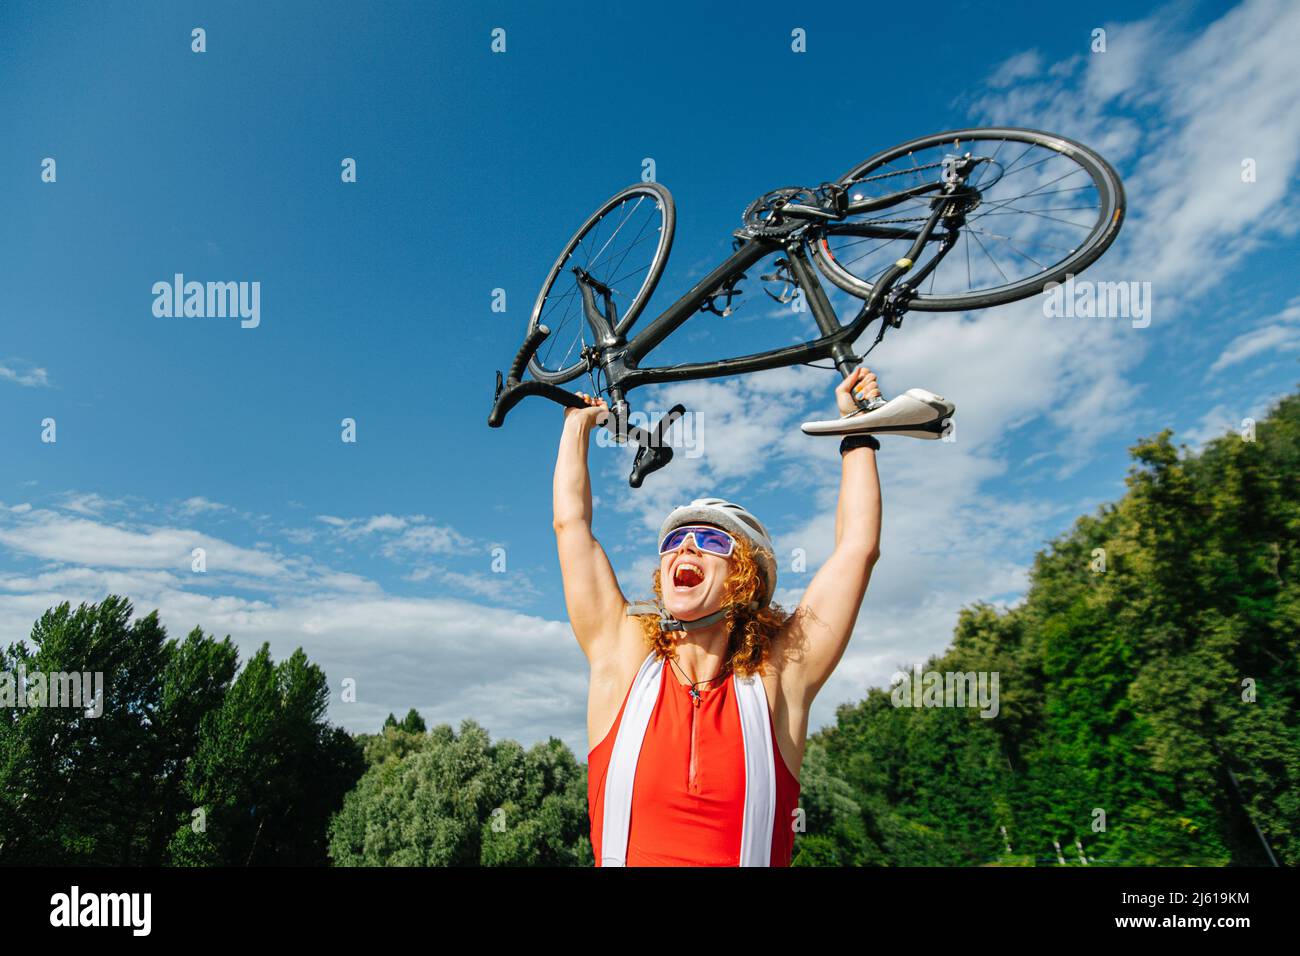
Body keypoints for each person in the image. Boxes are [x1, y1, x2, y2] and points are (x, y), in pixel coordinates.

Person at [552, 367, 887, 867]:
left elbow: (857, 549)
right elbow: (571, 525)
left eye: (711, 540)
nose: (684, 545)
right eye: (673, 541)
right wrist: (577, 428)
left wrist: (856, 429)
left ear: (745, 577)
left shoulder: (779, 679)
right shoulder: (624, 661)